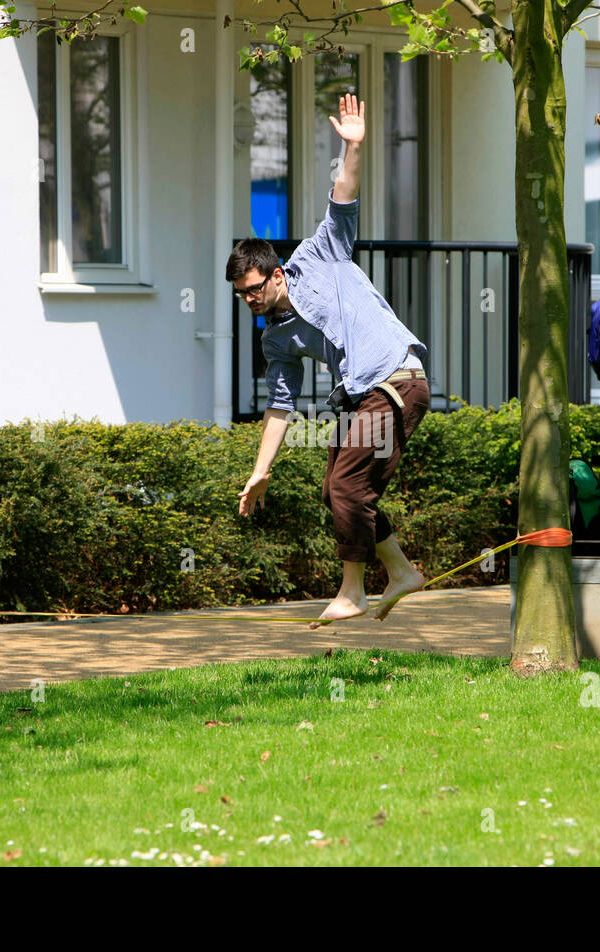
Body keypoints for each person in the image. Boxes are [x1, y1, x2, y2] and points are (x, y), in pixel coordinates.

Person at [228, 94, 430, 629]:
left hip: (397, 378)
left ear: (274, 275)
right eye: (239, 296)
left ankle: (353, 592)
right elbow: (279, 407)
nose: (249, 301)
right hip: (367, 394)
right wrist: (260, 472)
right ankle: (402, 571)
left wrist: (353, 146)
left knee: (348, 486)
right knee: (337, 489)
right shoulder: (276, 339)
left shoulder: (320, 253)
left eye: (252, 289)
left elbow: (343, 195)